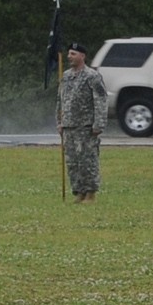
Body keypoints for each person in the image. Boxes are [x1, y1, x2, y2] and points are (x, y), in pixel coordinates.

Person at [58, 43, 106, 203]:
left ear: (82, 56)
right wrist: (59, 121)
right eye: (69, 53)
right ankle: (79, 191)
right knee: (73, 162)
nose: (69, 57)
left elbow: (100, 99)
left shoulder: (92, 76)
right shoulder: (66, 76)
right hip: (69, 125)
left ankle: (90, 193)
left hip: (86, 126)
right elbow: (60, 99)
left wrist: (99, 123)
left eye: (73, 54)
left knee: (87, 160)